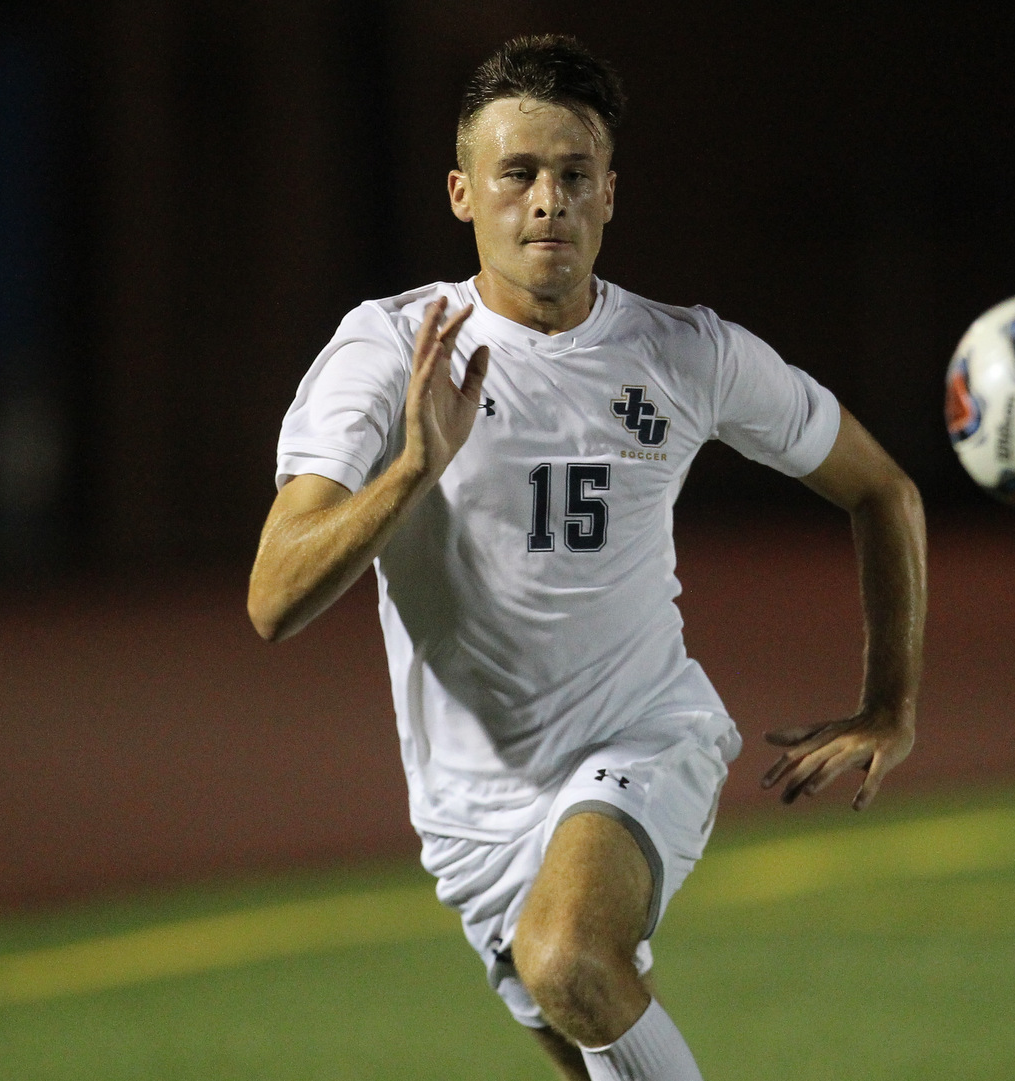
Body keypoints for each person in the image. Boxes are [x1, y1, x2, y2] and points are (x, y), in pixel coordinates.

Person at [247, 35, 925, 1081]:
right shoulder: (388, 352)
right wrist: (415, 467)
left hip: (644, 733)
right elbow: (274, 598)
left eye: (573, 175)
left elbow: (882, 488)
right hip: (469, 812)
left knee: (568, 955)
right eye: (518, 173)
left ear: (612, 194)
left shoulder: (685, 353)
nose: (547, 200)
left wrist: (891, 702)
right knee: (591, 1027)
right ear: (464, 192)